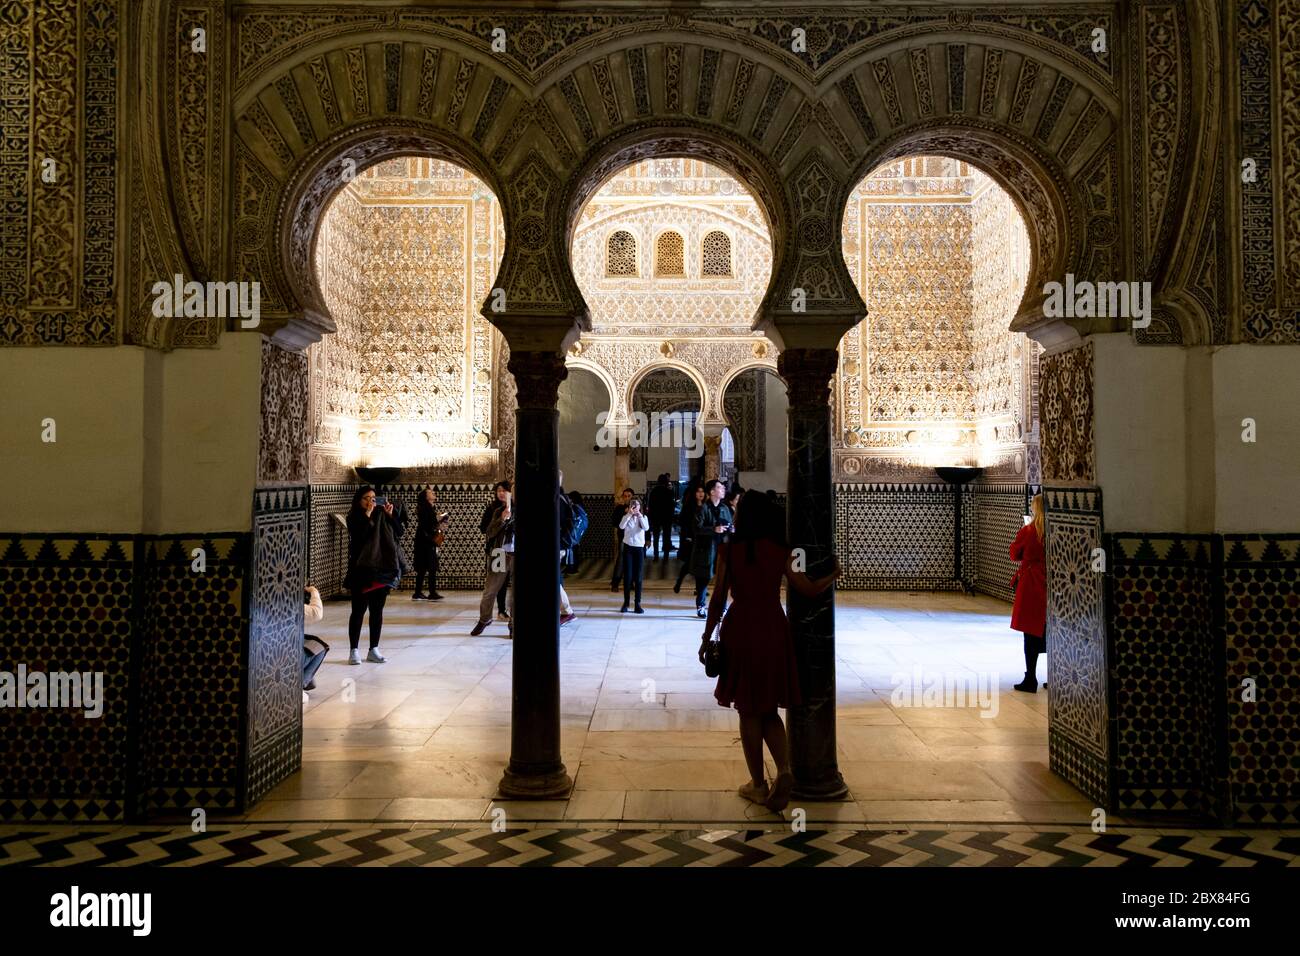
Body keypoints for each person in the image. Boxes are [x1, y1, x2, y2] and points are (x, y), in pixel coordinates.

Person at [699, 490, 839, 813]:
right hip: (774, 629)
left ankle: (758, 785)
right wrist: (833, 574)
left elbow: (718, 598)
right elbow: (807, 588)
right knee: (769, 710)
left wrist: (707, 637)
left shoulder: (729, 550)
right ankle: (785, 770)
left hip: (741, 629)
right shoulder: (780, 550)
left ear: (743, 516)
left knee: (748, 710)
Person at [344, 486, 405, 664]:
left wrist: (390, 515)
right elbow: (360, 537)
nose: (371, 501)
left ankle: (374, 649)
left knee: (377, 611)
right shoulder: (354, 517)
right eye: (366, 498)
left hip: (381, 570)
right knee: (358, 611)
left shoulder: (381, 515)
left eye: (373, 498)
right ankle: (353, 650)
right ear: (359, 500)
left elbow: (399, 532)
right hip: (361, 571)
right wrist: (368, 515)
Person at [1010, 494, 1048, 693]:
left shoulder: (1029, 530)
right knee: (1051, 629)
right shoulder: (1056, 529)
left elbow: (1014, 553)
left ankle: (1030, 677)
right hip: (1053, 581)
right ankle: (1056, 675)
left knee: (1030, 632)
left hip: (1032, 582)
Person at [472, 484, 514, 637]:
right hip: (499, 553)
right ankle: (484, 619)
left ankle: (514, 624)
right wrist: (502, 519)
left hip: (518, 555)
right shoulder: (498, 511)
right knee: (490, 590)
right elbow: (489, 532)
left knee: (516, 593)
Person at [690, 479, 733, 618]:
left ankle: (722, 607)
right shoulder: (703, 508)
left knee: (723, 579)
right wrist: (714, 529)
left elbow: (729, 523)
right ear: (712, 492)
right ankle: (701, 605)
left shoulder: (725, 508)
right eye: (720, 487)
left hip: (722, 548)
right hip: (706, 549)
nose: (723, 489)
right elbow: (697, 528)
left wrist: (730, 529)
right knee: (703, 578)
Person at [479, 481, 512, 620]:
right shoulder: (493, 509)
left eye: (504, 490)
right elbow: (484, 529)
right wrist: (500, 520)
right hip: (497, 550)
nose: (501, 493)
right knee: (497, 583)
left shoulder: (515, 508)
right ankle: (500, 610)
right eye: (498, 490)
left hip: (512, 551)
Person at [413, 487, 449, 601]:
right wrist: (439, 520)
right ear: (425, 496)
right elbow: (428, 524)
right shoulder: (425, 508)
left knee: (424, 567)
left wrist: (439, 521)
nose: (433, 492)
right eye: (430, 492)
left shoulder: (428, 507)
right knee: (431, 566)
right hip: (425, 541)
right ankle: (431, 592)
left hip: (424, 540)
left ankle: (418, 592)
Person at [619, 496, 650, 613]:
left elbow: (646, 528)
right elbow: (621, 526)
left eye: (637, 505)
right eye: (633, 505)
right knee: (627, 577)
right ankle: (626, 603)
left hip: (639, 549)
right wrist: (629, 515)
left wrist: (640, 516)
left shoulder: (644, 517)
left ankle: (637, 603)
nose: (635, 507)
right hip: (628, 548)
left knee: (638, 577)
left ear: (640, 506)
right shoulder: (626, 517)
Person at [673, 481, 706, 593]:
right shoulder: (689, 506)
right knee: (690, 564)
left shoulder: (706, 506)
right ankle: (679, 581)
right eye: (698, 491)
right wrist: (688, 536)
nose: (701, 494)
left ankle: (699, 588)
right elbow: (683, 522)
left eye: (702, 491)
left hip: (702, 539)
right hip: (690, 539)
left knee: (699, 565)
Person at [556, 471, 577, 626]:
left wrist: (560, 543)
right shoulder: (559, 498)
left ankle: (567, 611)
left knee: (552, 579)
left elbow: (565, 525)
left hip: (557, 545)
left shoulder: (559, 500)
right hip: (556, 544)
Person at [647, 473, 677, 560]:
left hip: (656, 517)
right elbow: (672, 506)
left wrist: (651, 517)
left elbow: (651, 505)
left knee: (656, 537)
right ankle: (666, 556)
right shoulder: (669, 492)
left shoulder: (653, 491)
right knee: (666, 537)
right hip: (667, 518)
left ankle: (656, 555)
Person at [609, 487, 633, 591]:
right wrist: (624, 513)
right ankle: (615, 583)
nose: (627, 498)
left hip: (634, 539)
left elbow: (643, 523)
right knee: (621, 560)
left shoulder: (637, 508)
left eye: (629, 496)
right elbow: (614, 523)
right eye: (625, 496)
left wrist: (647, 538)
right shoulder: (619, 509)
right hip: (623, 538)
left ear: (632, 497)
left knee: (632, 561)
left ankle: (630, 583)